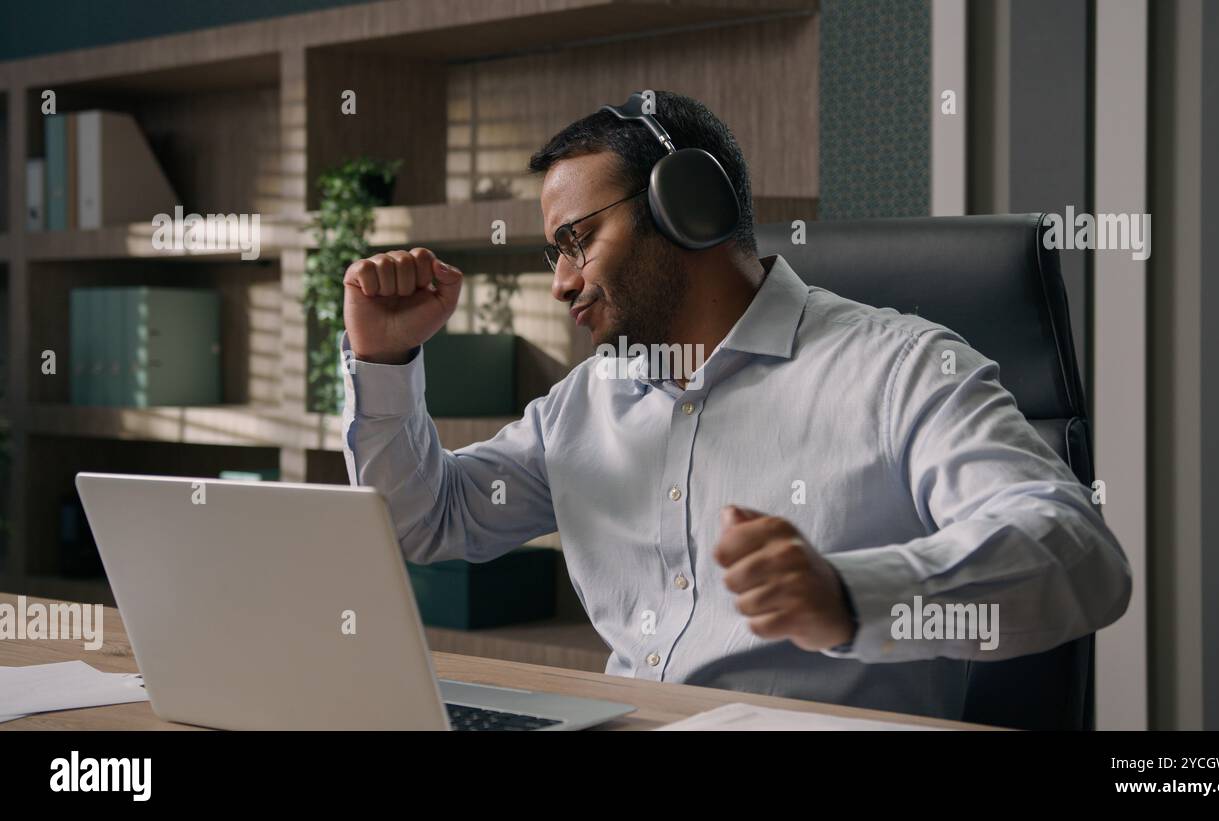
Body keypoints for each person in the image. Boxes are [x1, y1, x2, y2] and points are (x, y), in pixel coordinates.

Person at [338, 91, 1130, 719]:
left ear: (689, 206)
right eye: (555, 252)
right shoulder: (586, 404)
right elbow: (425, 519)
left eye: (578, 239)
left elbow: (1078, 556)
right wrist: (382, 357)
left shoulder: (902, 369)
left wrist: (852, 595)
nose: (562, 281)